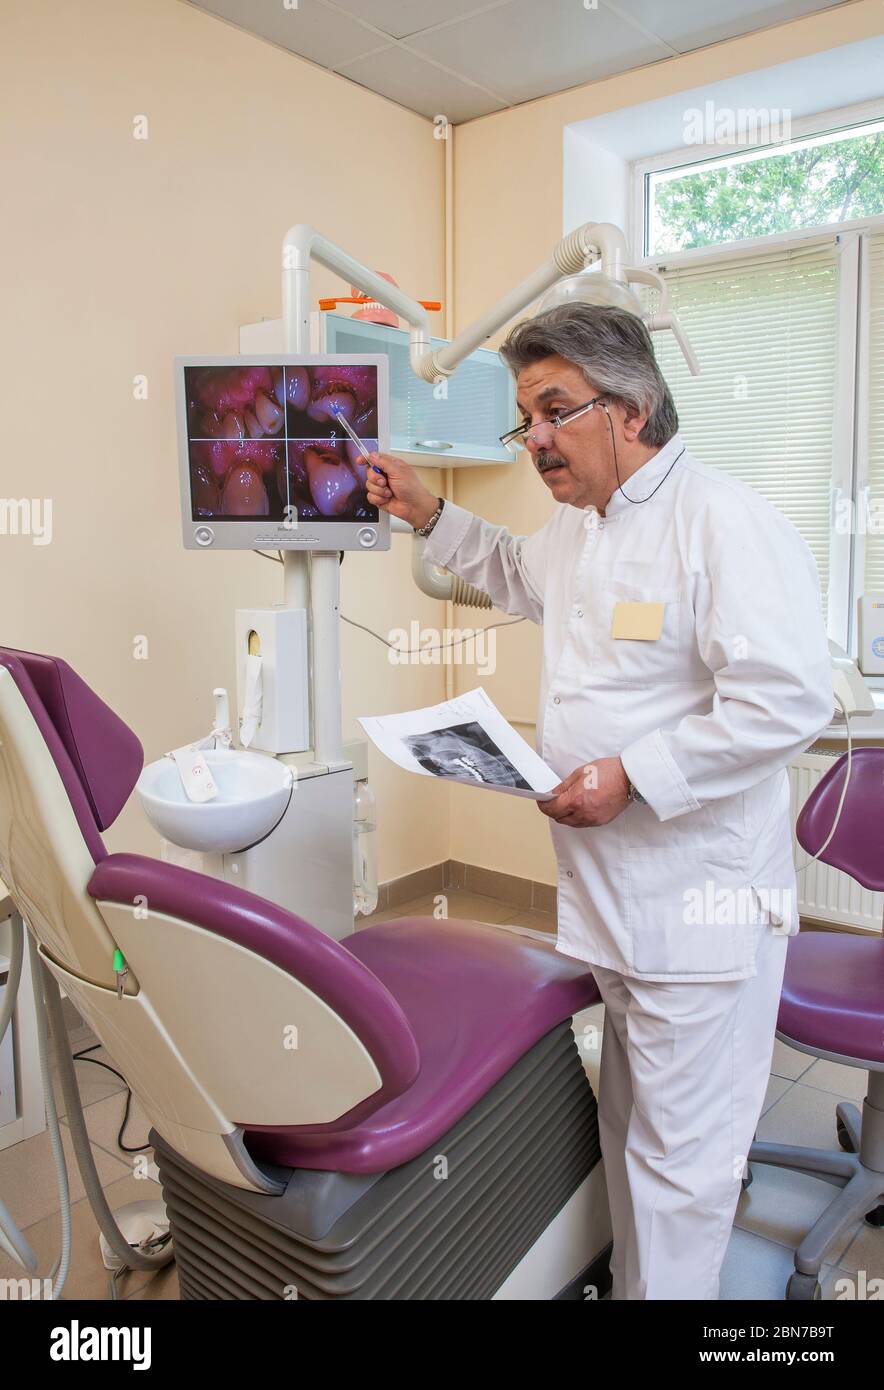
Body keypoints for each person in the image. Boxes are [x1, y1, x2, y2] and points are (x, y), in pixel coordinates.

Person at [365, 303, 834, 1300]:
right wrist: (424, 509)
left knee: (680, 1171)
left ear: (627, 408)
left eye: (551, 410)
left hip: (693, 910)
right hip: (611, 904)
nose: (531, 437)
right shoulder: (579, 528)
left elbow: (786, 699)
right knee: (627, 1130)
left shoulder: (725, 523)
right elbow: (510, 571)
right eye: (522, 417)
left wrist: (629, 775)